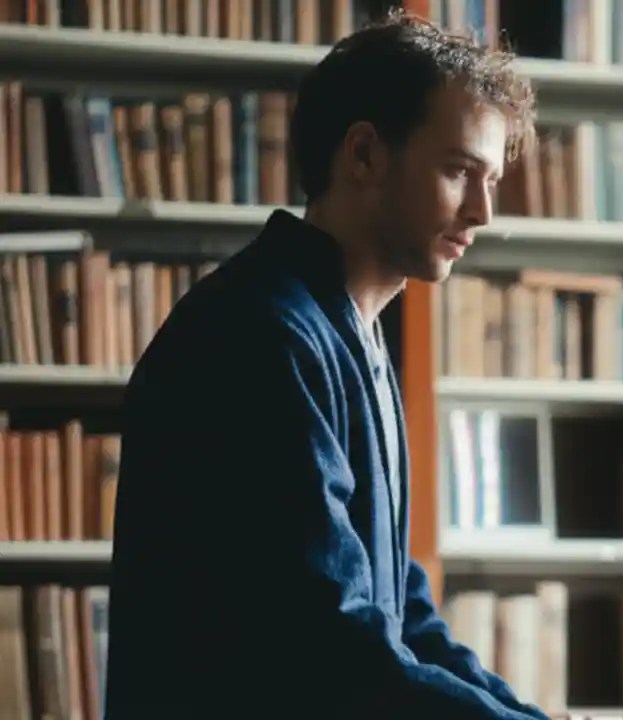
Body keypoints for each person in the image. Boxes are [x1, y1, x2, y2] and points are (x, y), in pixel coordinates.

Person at [104, 11, 550, 720]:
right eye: (460, 170)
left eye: (491, 178)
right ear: (365, 155)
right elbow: (332, 643)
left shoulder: (355, 336)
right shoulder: (258, 336)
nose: (484, 211)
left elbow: (401, 615)